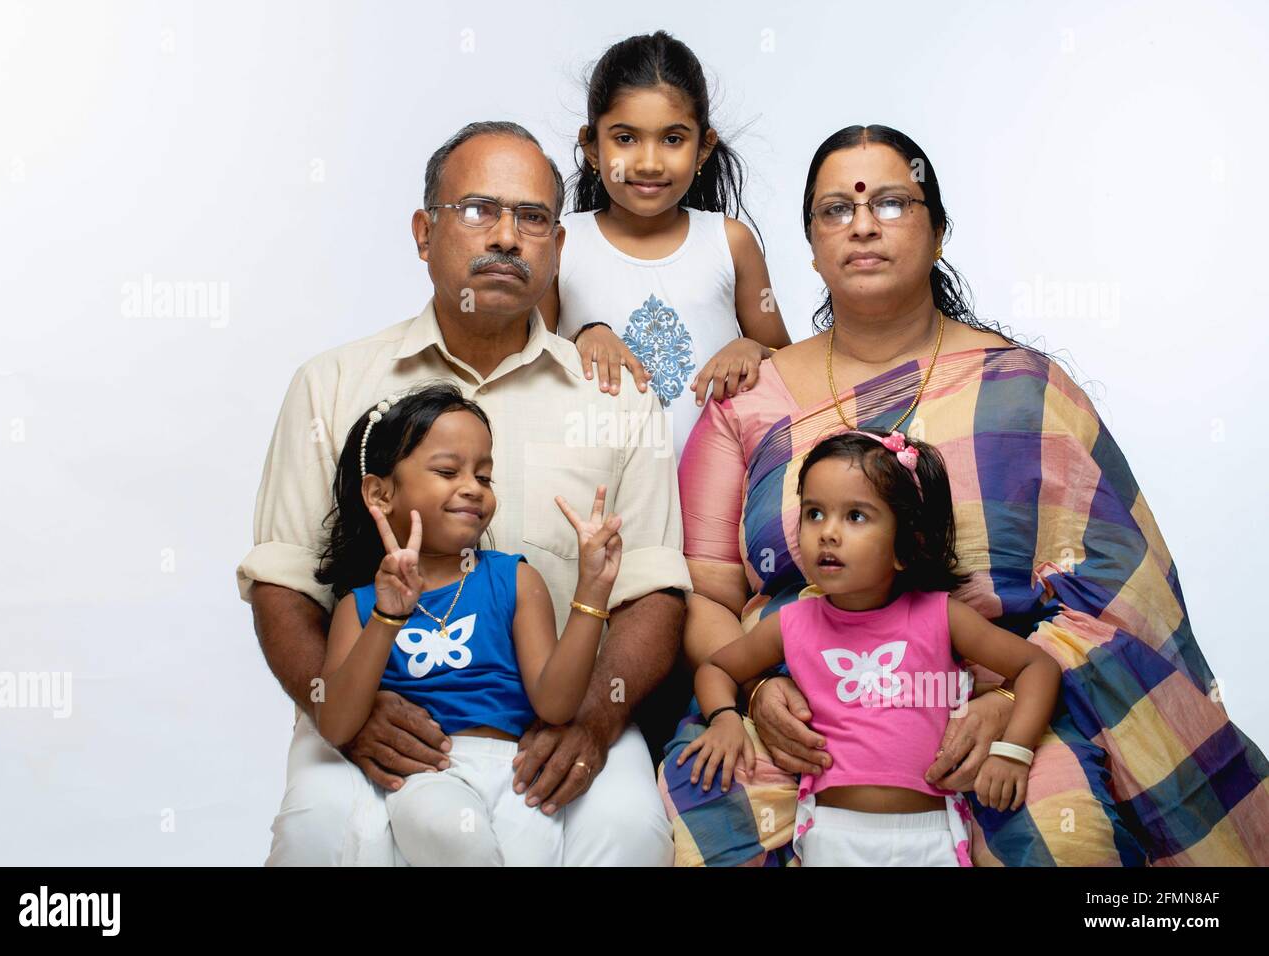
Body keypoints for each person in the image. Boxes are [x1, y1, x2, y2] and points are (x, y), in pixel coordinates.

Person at [661, 123, 1269, 866]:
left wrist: (1010, 703)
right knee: (704, 833)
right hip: (797, 712)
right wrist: (755, 697)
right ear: (812, 248)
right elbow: (706, 593)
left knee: (1062, 839)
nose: (861, 225)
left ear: (939, 232)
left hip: (998, 706)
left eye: (890, 203)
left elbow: (1116, 581)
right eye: (834, 211)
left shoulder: (1024, 388)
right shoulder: (748, 400)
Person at [238, 120, 691, 866]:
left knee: (631, 831)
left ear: (557, 248)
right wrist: (345, 712)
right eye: (479, 210)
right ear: (425, 233)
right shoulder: (334, 385)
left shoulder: (617, 398)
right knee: (321, 831)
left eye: (534, 218)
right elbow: (282, 583)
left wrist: (593, 719)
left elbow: (655, 591)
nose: (508, 237)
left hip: (561, 711)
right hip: (380, 711)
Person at [677, 428, 1061, 865]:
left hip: (932, 834)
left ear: (907, 545)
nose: (827, 533)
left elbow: (1038, 668)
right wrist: (725, 718)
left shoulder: (941, 616)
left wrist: (1014, 751)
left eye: (856, 516)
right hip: (832, 835)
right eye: (814, 513)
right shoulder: (792, 625)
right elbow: (716, 669)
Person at [314, 383, 624, 865]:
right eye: (447, 471)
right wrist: (387, 615)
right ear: (381, 493)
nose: (473, 488)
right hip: (430, 776)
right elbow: (335, 724)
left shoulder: (516, 580)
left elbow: (556, 704)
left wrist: (592, 591)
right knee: (454, 836)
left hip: (520, 775)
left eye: (484, 475)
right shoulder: (362, 605)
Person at [538, 30, 790, 458]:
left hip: (718, 490)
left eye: (672, 139)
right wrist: (581, 336)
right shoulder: (561, 244)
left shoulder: (730, 243)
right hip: (600, 489)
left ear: (703, 147)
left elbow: (788, 358)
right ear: (592, 147)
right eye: (625, 138)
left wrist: (753, 349)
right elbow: (530, 366)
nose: (650, 162)